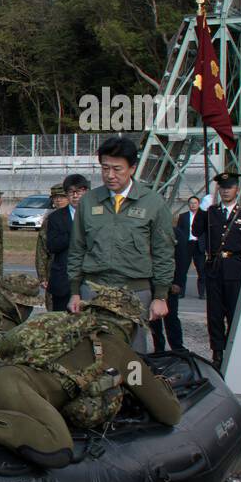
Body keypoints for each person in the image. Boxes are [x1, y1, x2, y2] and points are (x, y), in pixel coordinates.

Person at [0, 285, 182, 469]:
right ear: (130, 326)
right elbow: (169, 413)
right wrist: (162, 386)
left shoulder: (61, 322)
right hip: (11, 386)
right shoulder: (123, 354)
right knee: (57, 445)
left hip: (3, 378)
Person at [66, 135, 173, 354]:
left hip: (134, 291)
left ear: (132, 168)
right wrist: (75, 291)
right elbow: (77, 248)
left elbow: (164, 252)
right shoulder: (88, 201)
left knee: (133, 353)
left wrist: (160, 296)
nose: (110, 175)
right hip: (94, 289)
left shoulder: (152, 202)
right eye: (105, 168)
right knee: (91, 351)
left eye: (117, 169)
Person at [194, 170, 241, 369]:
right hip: (214, 268)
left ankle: (233, 350)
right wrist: (202, 211)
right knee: (215, 314)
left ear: (237, 189)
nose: (226, 191)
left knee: (233, 313)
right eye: (222, 187)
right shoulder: (211, 212)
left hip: (235, 269)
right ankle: (217, 353)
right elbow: (195, 231)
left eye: (229, 187)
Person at [44, 174, 87, 312]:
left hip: (89, 280)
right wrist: (75, 231)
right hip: (63, 280)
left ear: (85, 192)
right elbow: (52, 245)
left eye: (78, 192)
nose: (75, 196)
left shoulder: (96, 215)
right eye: (70, 192)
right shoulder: (55, 217)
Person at [151, 214, 185, 351]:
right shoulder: (148, 233)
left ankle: (177, 348)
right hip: (151, 282)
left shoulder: (176, 233)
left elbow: (183, 259)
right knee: (153, 321)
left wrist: (178, 282)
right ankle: (158, 349)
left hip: (170, 284)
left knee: (171, 318)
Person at [35, 184, 67, 289]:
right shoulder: (49, 220)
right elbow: (42, 249)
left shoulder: (78, 217)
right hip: (53, 270)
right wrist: (42, 277)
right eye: (55, 197)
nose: (58, 200)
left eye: (62, 197)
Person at [178, 197, 205, 298]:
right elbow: (179, 231)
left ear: (199, 204)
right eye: (191, 203)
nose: (193, 205)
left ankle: (202, 293)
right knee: (183, 270)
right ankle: (181, 292)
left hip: (199, 245)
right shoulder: (183, 216)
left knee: (201, 270)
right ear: (188, 204)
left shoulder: (204, 216)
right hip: (186, 245)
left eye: (195, 203)